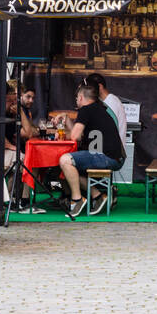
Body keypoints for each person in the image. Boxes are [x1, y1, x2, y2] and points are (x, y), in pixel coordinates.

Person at [58, 84, 125, 217]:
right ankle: (98, 196)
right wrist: (67, 119)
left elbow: (74, 137)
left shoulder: (86, 110)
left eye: (77, 98)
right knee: (70, 169)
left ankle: (77, 200)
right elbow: (79, 135)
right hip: (115, 157)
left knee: (65, 160)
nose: (76, 101)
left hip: (105, 156)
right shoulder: (99, 109)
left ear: (81, 97)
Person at [83, 72, 127, 141]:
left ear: (100, 86)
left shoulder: (111, 102)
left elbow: (109, 129)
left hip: (113, 149)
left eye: (90, 88)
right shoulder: (104, 102)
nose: (88, 91)